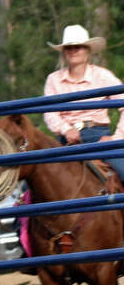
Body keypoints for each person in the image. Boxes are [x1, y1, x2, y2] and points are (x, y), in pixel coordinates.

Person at [41, 24, 124, 178]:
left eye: (78, 47)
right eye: (68, 48)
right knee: (34, 181)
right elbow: (49, 113)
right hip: (65, 140)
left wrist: (115, 138)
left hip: (98, 137)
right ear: (64, 52)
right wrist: (66, 130)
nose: (73, 51)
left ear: (87, 50)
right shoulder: (53, 79)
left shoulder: (103, 76)